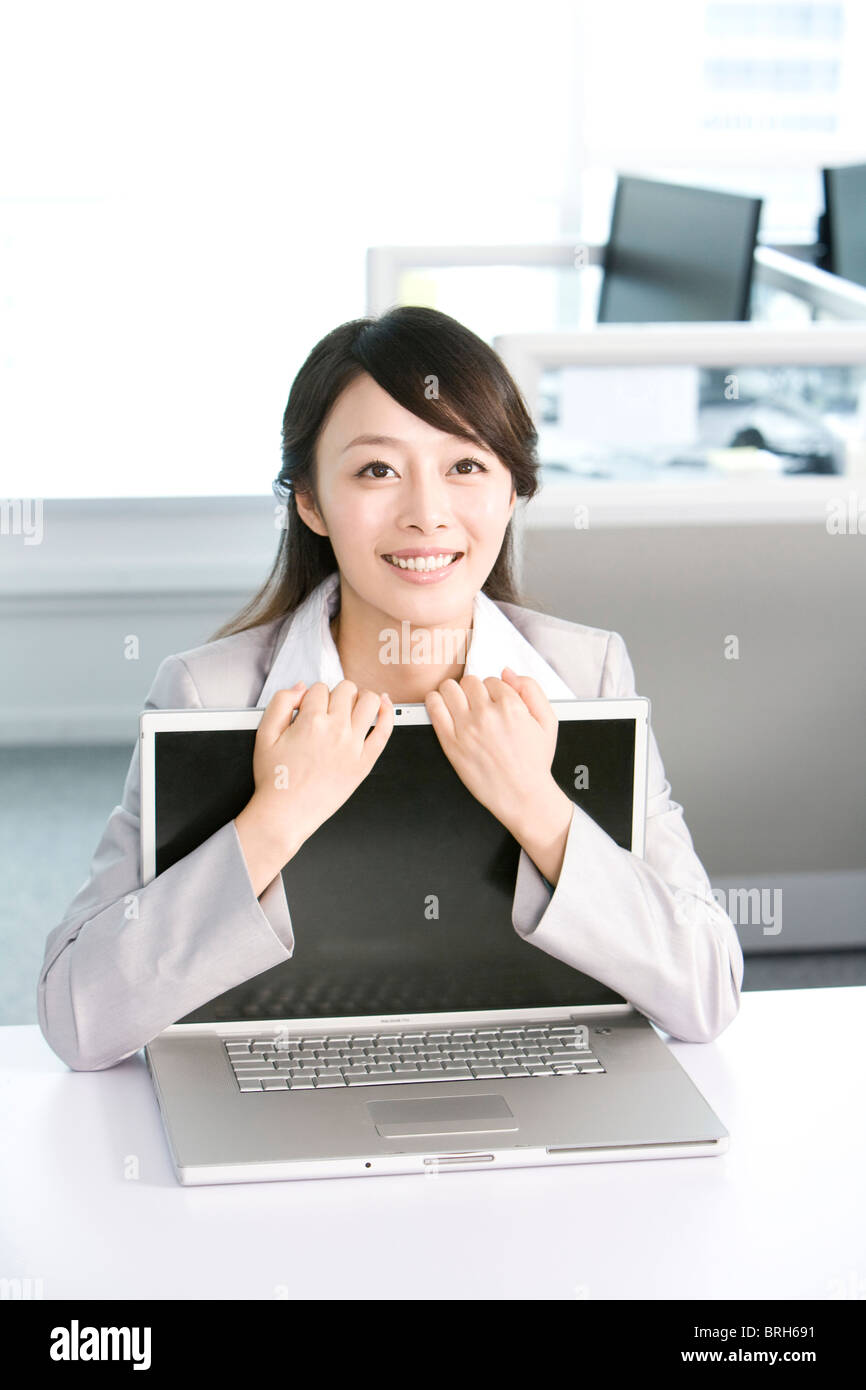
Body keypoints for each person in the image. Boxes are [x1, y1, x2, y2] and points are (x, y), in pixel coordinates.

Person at [37, 306, 743, 1071]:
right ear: (309, 501)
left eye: (466, 466)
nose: (427, 515)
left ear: (512, 491)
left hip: (528, 1095)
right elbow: (80, 1018)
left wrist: (538, 807)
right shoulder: (207, 694)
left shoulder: (586, 676)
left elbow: (705, 994)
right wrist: (273, 819)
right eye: (377, 470)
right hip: (281, 1085)